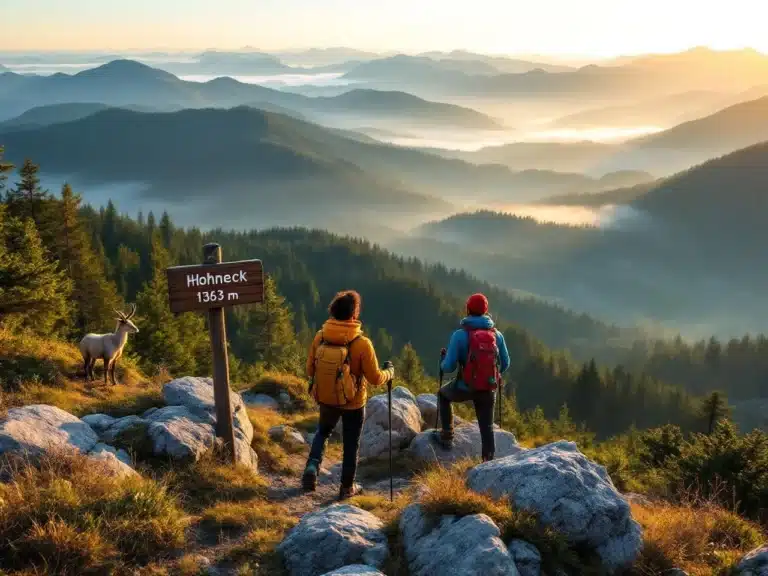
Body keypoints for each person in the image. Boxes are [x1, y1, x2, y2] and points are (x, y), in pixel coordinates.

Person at [302, 290, 395, 500]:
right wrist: (390, 373)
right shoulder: (362, 343)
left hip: (326, 398)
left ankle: (311, 467)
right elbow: (375, 378)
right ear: (354, 314)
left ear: (333, 311)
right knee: (351, 444)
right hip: (353, 402)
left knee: (323, 432)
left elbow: (310, 370)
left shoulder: (321, 336)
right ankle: (346, 488)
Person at [433, 293, 510, 462]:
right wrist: (491, 374)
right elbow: (505, 363)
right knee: (487, 427)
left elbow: (449, 367)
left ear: (468, 309)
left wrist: (442, 362)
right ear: (486, 311)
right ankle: (488, 463)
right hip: (488, 388)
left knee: (443, 395)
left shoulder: (460, 335)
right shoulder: (497, 335)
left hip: (465, 387)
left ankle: (447, 436)